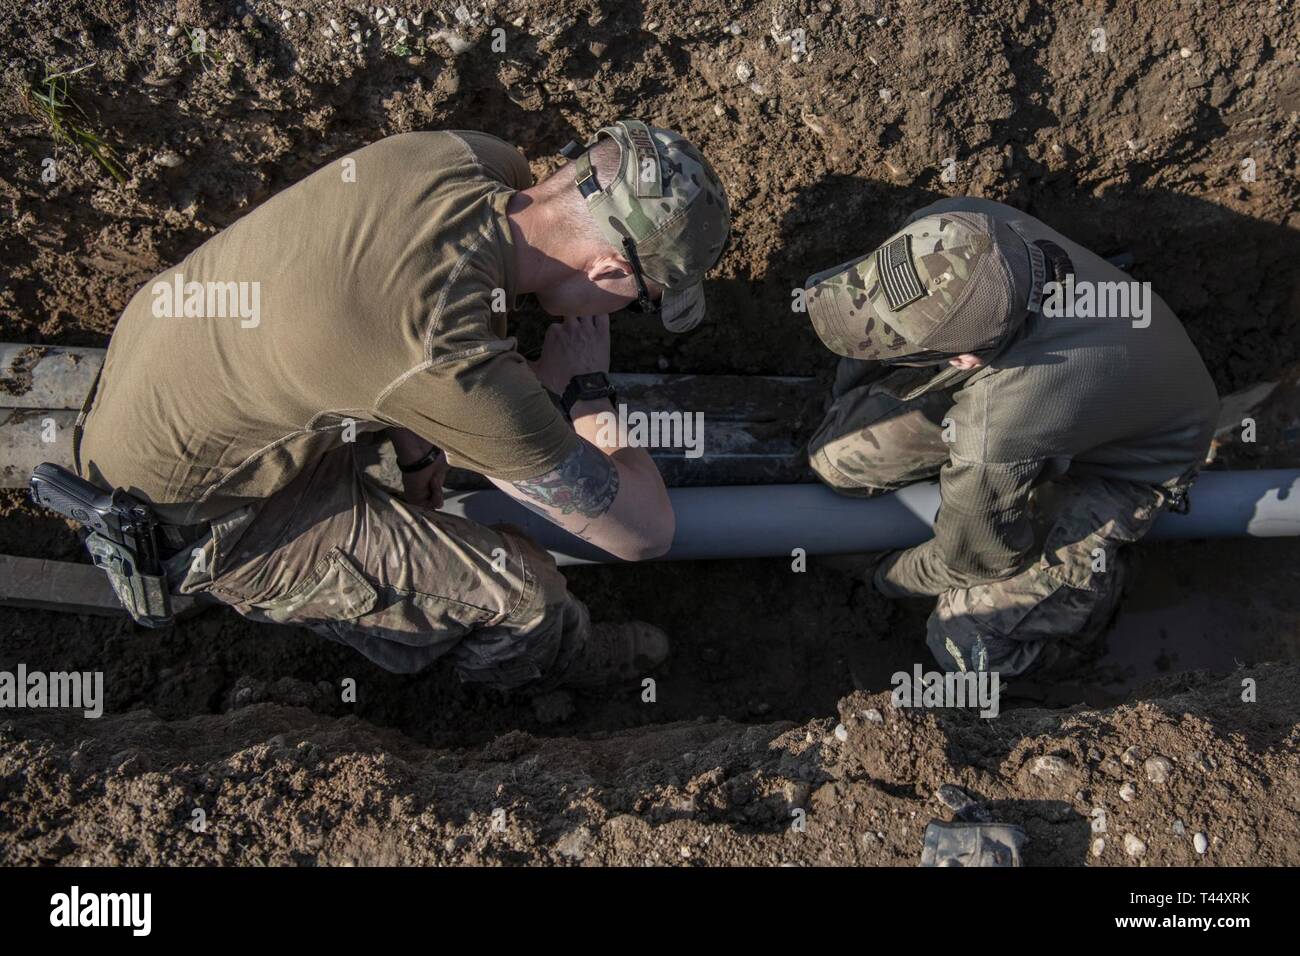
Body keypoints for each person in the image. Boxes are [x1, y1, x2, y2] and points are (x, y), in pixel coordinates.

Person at [75, 120, 730, 689]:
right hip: (202, 516)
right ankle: (535, 663)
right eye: (641, 298)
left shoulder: (469, 157)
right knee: (527, 586)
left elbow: (380, 319)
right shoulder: (449, 358)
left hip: (153, 380)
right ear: (611, 271)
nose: (627, 311)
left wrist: (421, 460)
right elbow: (644, 533)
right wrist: (588, 389)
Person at [804, 197, 1218, 676]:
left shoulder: (997, 425)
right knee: (838, 459)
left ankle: (1086, 611)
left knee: (965, 640)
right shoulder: (955, 225)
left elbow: (979, 560)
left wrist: (884, 577)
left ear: (963, 360)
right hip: (1076, 381)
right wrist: (846, 402)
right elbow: (878, 323)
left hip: (1125, 469)